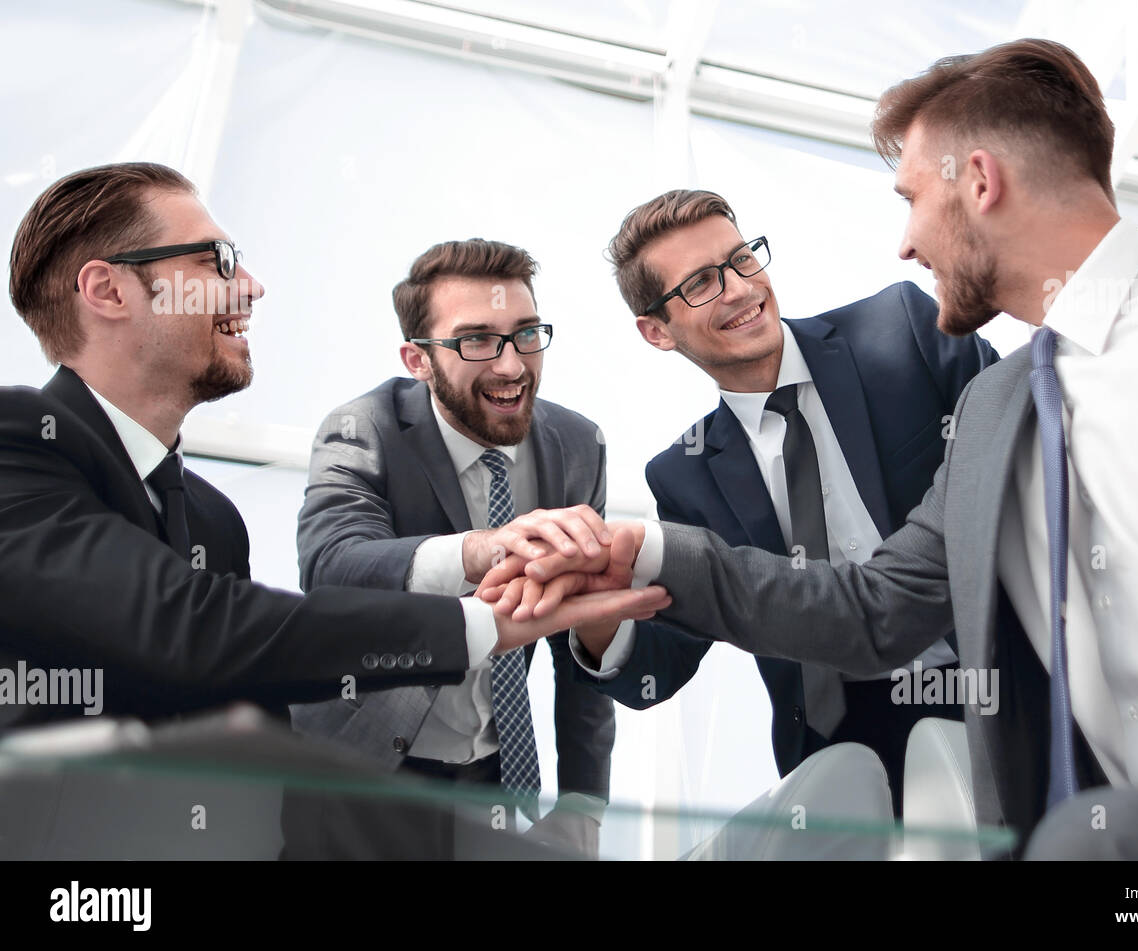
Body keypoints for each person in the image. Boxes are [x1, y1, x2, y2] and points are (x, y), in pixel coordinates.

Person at [481, 40, 1138, 859]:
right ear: (656, 329)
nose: (905, 242)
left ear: (980, 182)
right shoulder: (997, 411)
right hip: (1051, 809)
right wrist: (646, 555)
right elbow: (872, 609)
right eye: (701, 283)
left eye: (910, 199)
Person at [0, 162, 664, 792]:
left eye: (525, 335)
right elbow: (195, 623)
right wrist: (481, 620)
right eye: (218, 261)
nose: (252, 287)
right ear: (108, 290)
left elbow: (249, 720)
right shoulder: (17, 441)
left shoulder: (211, 519)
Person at [568, 190, 995, 813]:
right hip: (840, 738)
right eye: (701, 284)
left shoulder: (898, 329)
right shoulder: (684, 476)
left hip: (991, 685)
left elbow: (1023, 452)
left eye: (742, 259)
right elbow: (666, 656)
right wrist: (599, 619)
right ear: (656, 331)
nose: (739, 289)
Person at [293, 238, 617, 855]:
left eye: (525, 334)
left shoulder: (579, 446)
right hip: (359, 769)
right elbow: (332, 565)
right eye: (477, 341)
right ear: (417, 359)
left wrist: (583, 803)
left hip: (493, 778)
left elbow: (583, 629)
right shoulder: (363, 428)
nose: (511, 366)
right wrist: (481, 549)